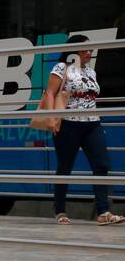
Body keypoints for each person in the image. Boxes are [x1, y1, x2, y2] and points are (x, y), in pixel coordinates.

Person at [45, 36, 123, 225]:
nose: (89, 52)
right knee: (65, 167)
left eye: (90, 49)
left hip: (92, 123)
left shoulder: (91, 72)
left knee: (102, 164)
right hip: (68, 123)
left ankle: (103, 212)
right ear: (74, 50)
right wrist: (51, 118)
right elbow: (49, 93)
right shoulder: (62, 68)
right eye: (84, 49)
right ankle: (60, 211)